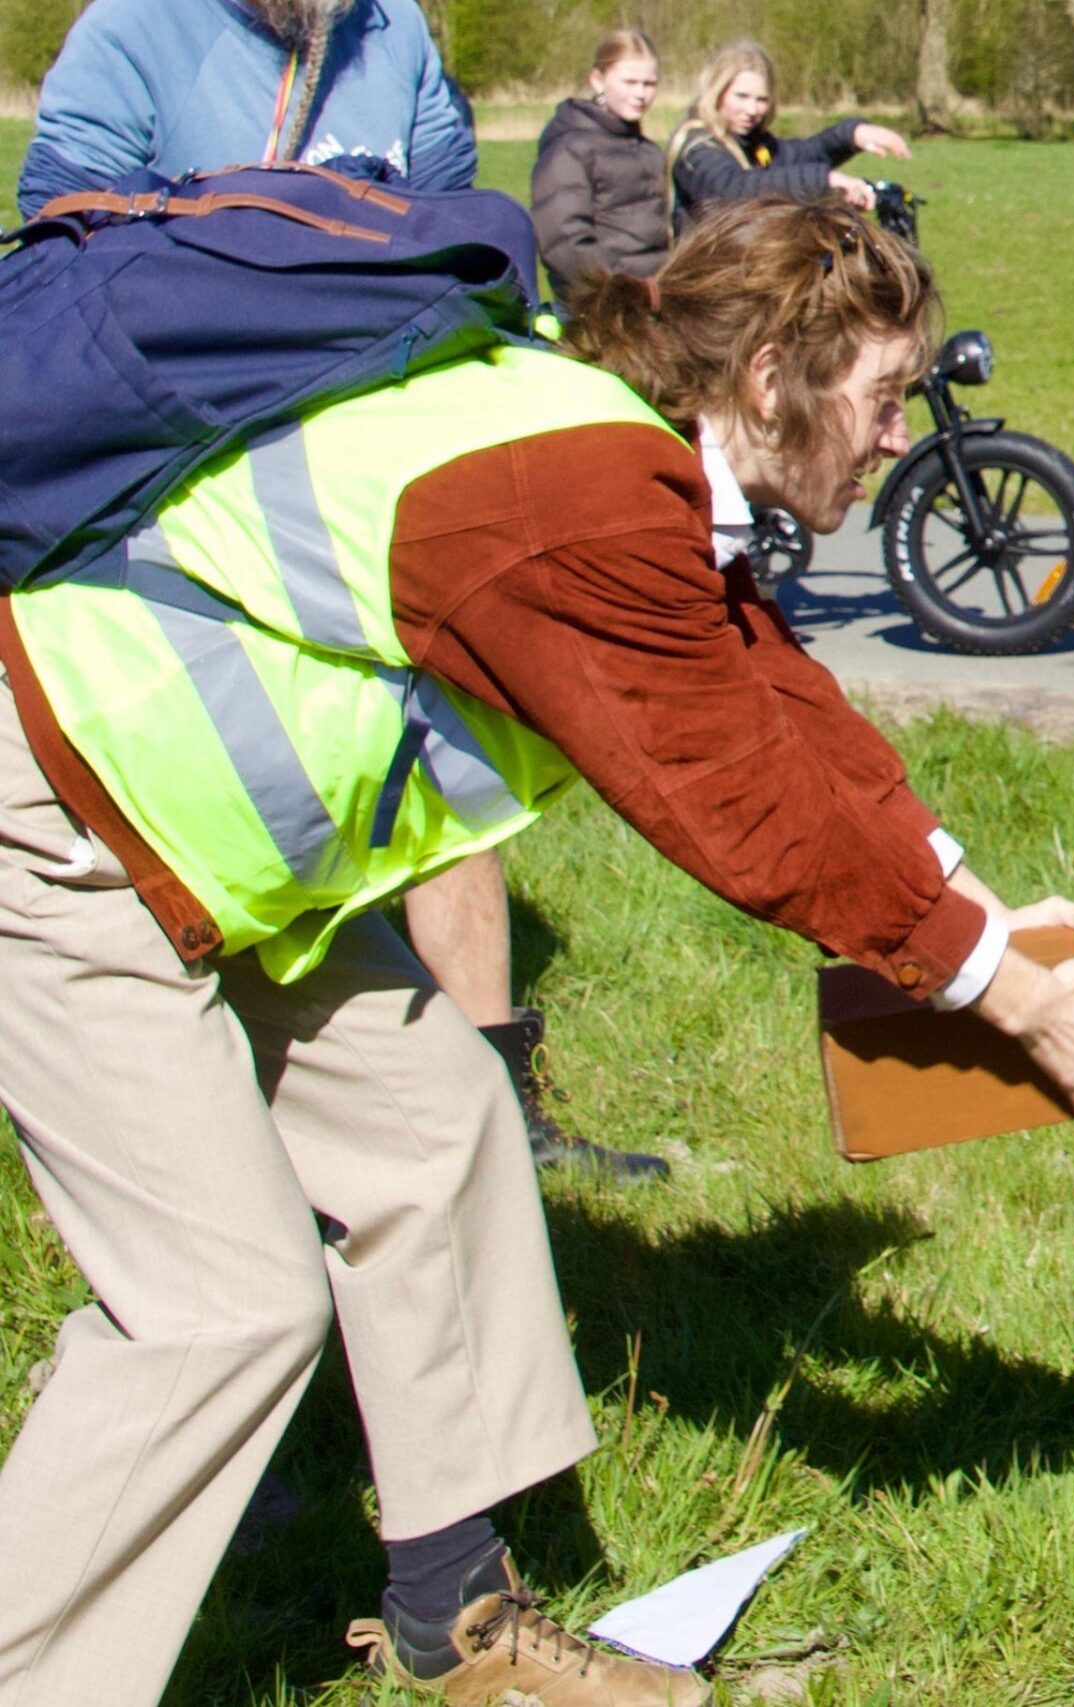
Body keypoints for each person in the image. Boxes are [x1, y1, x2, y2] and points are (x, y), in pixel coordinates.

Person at [0, 197, 1074, 1706]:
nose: (901, 436)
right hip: (59, 823)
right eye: (885, 396)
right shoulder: (569, 496)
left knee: (440, 1126)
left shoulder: (624, 463)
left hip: (202, 851)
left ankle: (455, 1612)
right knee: (224, 1301)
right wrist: (1009, 988)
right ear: (775, 371)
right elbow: (739, 802)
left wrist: (985, 908)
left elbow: (778, 702)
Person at [16, 0, 673, 1182]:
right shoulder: (134, 27)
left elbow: (450, 238)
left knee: (446, 751)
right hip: (178, 458)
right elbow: (63, 236)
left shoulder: (397, 38)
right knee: (206, 782)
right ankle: (196, 1126)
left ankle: (493, 1100)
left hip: (359, 459)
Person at [15, 0, 475, 219]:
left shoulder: (396, 26)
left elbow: (452, 221)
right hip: (204, 389)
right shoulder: (129, 30)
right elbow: (60, 251)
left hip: (388, 375)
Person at [666, 39, 910, 235]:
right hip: (703, 287)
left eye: (761, 99)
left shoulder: (753, 144)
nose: (752, 110)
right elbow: (732, 189)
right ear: (716, 92)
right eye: (741, 96)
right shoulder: (695, 147)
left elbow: (800, 156)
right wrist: (823, 181)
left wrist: (851, 135)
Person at [531, 28, 671, 302]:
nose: (640, 94)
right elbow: (565, 242)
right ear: (598, 80)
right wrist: (620, 296)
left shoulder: (650, 152)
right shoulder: (570, 148)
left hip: (659, 298)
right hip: (605, 306)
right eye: (629, 82)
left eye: (649, 84)